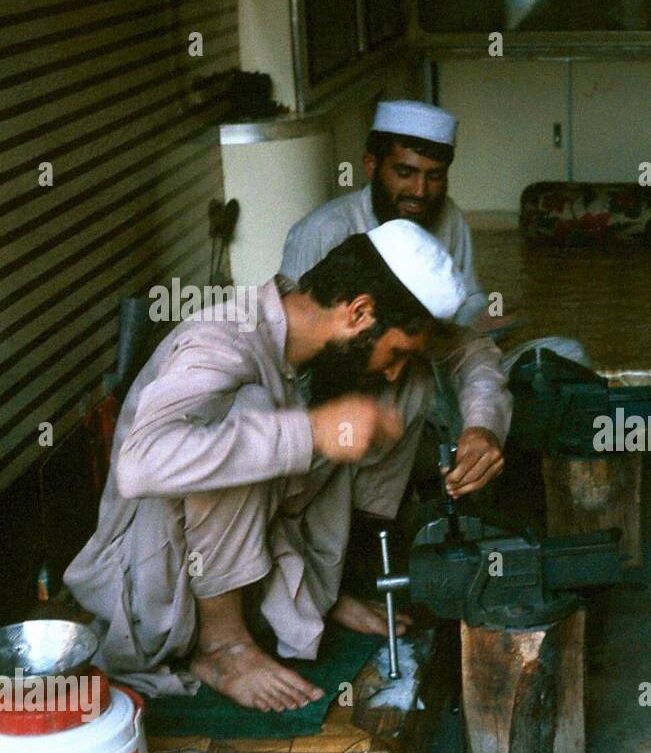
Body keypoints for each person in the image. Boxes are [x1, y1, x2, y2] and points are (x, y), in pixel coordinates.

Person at [66, 222, 465, 712]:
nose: (393, 368)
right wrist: (313, 431)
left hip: (249, 562)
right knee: (262, 417)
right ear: (359, 311)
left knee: (352, 405)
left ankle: (318, 592)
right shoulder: (223, 339)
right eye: (397, 351)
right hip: (154, 581)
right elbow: (141, 464)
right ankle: (222, 647)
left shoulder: (312, 349)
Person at [282, 100, 590, 491]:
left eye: (434, 176)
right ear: (371, 165)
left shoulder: (449, 218)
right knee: (422, 388)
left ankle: (483, 457)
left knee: (564, 358)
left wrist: (483, 318)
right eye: (405, 173)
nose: (419, 191)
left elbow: (463, 312)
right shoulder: (324, 230)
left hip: (446, 360)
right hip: (379, 388)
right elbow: (298, 343)